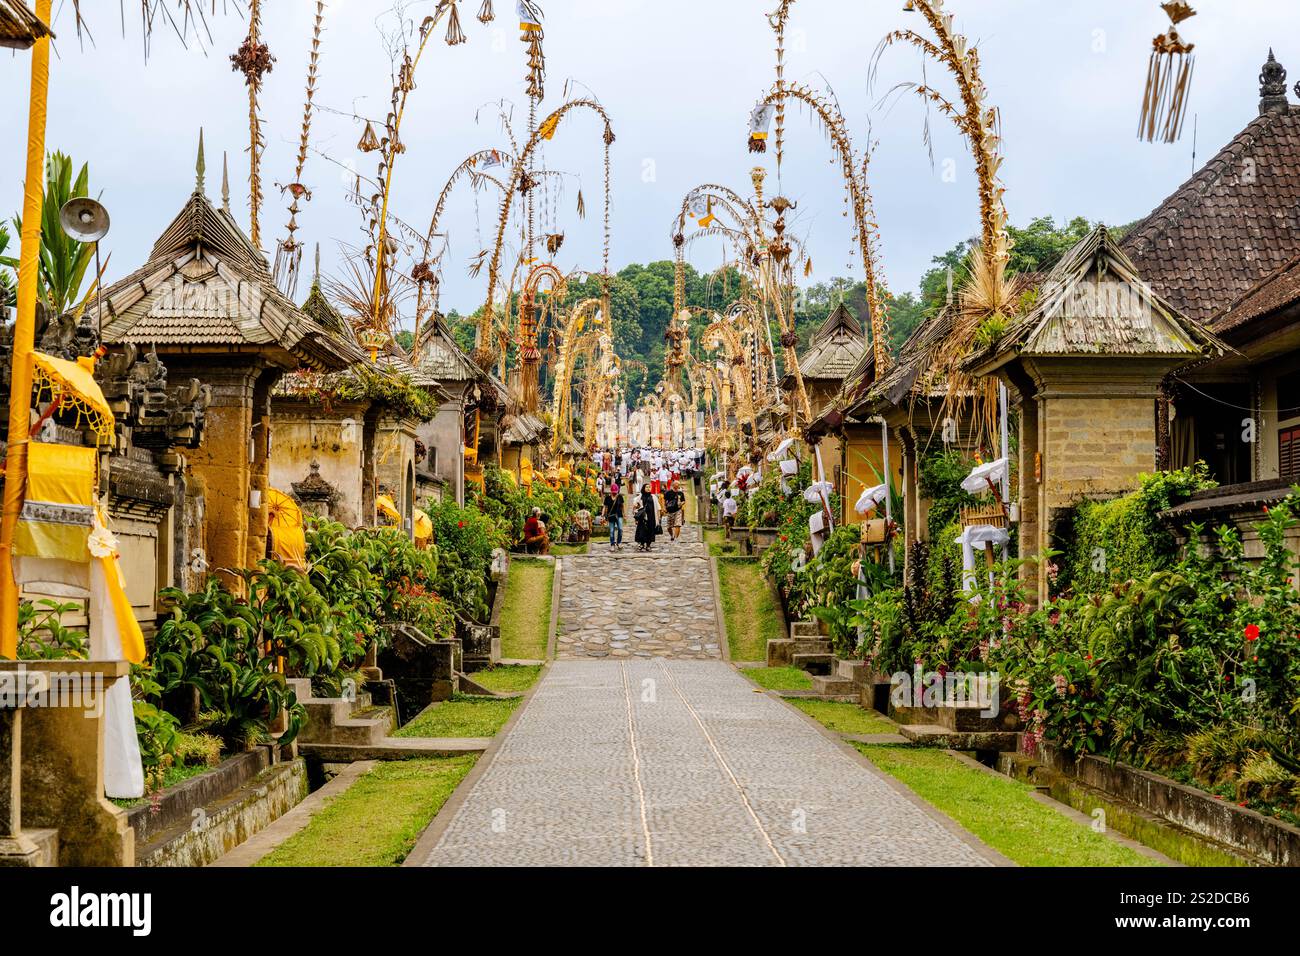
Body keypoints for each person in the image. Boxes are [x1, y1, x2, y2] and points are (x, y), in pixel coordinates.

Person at [633, 482, 661, 552]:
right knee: (642, 530)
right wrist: (636, 517)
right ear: (643, 488)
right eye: (646, 487)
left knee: (650, 530)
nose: (648, 488)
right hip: (642, 517)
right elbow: (636, 507)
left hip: (651, 516)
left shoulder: (653, 497)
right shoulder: (640, 497)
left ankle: (648, 545)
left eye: (649, 487)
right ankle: (642, 544)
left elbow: (658, 507)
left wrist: (659, 517)